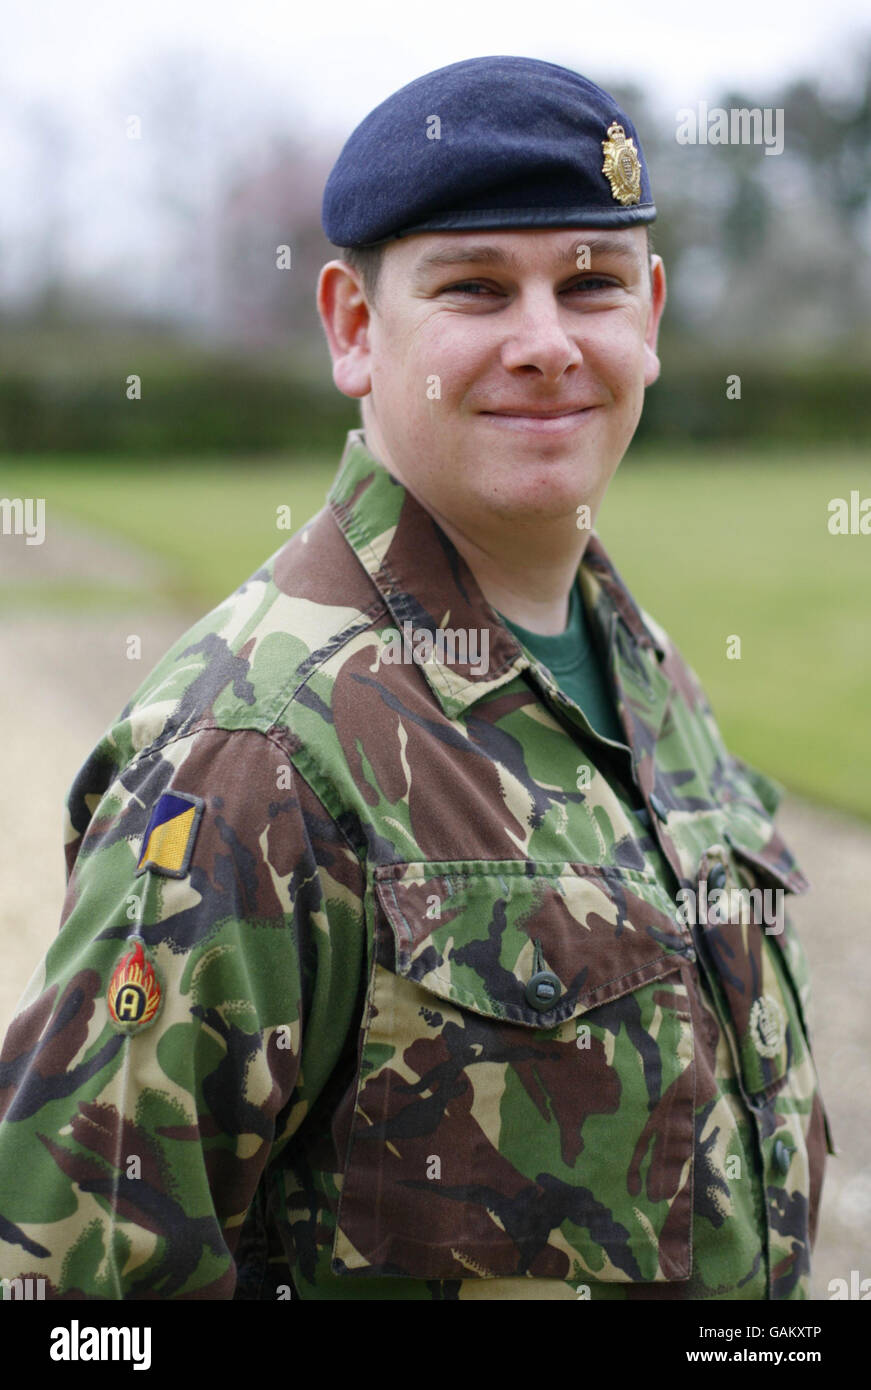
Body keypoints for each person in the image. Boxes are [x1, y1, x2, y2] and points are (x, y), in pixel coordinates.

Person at [0, 55, 832, 1302]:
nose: (547, 344)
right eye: (478, 288)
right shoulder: (255, 748)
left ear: (650, 318)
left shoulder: (634, 660)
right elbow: (77, 1298)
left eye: (591, 285)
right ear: (351, 327)